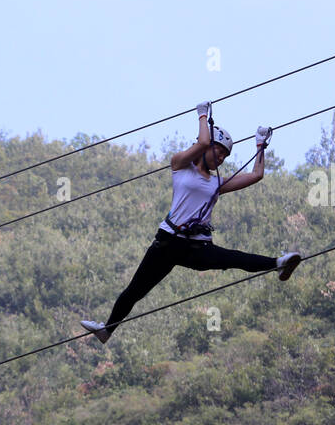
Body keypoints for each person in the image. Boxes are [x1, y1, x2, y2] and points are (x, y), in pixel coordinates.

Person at [81, 103, 301, 343]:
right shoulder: (180, 166)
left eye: (225, 155)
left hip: (196, 247)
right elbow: (203, 143)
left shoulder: (217, 183)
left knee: (234, 258)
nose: (220, 157)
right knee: (135, 290)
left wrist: (260, 145)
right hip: (167, 243)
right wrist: (202, 115)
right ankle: (107, 331)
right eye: (218, 151)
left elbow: (256, 175)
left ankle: (278, 264)